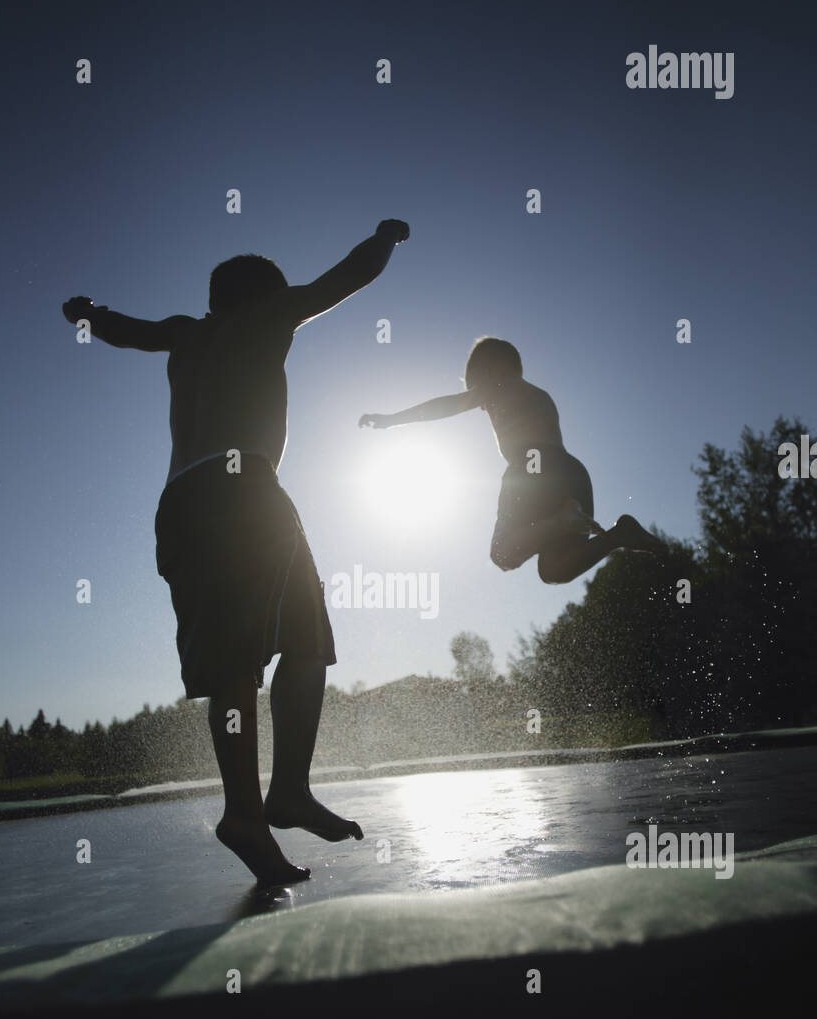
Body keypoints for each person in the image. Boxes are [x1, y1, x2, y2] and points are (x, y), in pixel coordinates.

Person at [63, 219, 410, 885]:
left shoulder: (185, 333)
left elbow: (122, 330)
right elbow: (350, 276)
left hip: (179, 508)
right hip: (243, 488)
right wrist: (385, 236)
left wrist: (88, 311)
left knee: (230, 665)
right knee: (306, 636)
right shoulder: (272, 311)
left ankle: (245, 814)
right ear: (265, 296)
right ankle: (288, 791)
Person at [359, 336, 665, 582]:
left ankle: (562, 521)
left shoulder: (498, 386)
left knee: (503, 554)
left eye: (475, 385)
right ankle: (618, 535)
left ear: (490, 370)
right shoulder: (540, 395)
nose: (479, 402)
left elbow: (445, 406)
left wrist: (391, 420)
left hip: (531, 466)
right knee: (555, 570)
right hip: (572, 472)